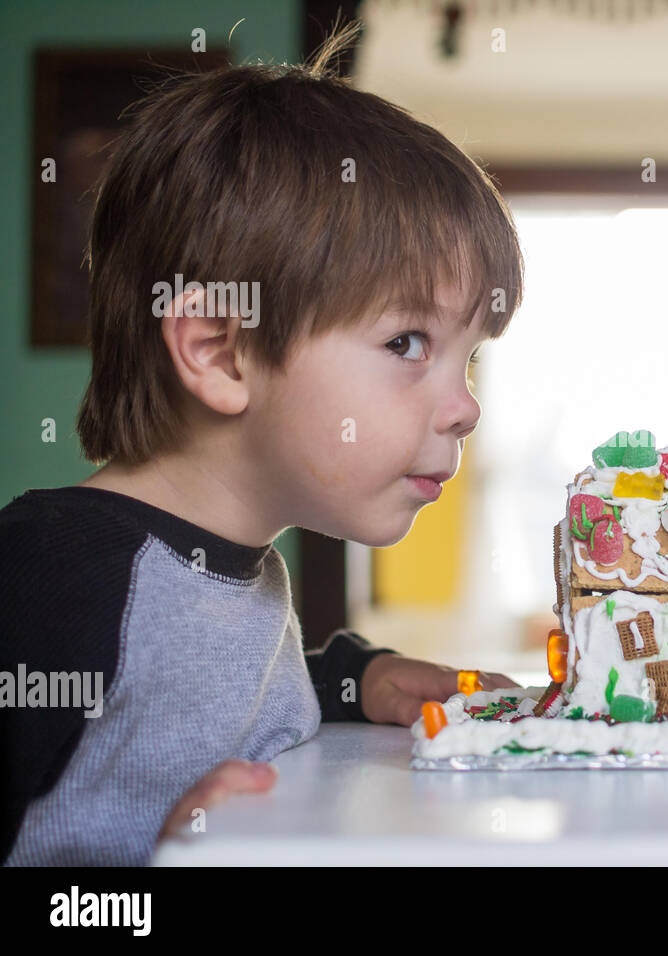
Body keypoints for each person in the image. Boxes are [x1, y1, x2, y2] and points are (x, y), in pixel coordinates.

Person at [1, 23, 522, 865]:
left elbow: (202, 697)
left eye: (469, 358)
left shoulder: (235, 567)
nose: (464, 408)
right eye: (406, 345)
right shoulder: (47, 582)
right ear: (219, 351)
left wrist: (355, 680)